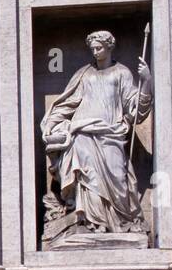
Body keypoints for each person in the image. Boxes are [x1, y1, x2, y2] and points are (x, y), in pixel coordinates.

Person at [40, 30, 151, 233]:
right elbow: (69, 102)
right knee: (87, 178)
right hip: (83, 132)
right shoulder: (85, 74)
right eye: (92, 48)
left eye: (99, 47)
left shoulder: (122, 73)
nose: (95, 51)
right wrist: (51, 122)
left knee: (118, 176)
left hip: (111, 133)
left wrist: (146, 81)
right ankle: (93, 222)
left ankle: (120, 221)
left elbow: (136, 110)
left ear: (109, 47)